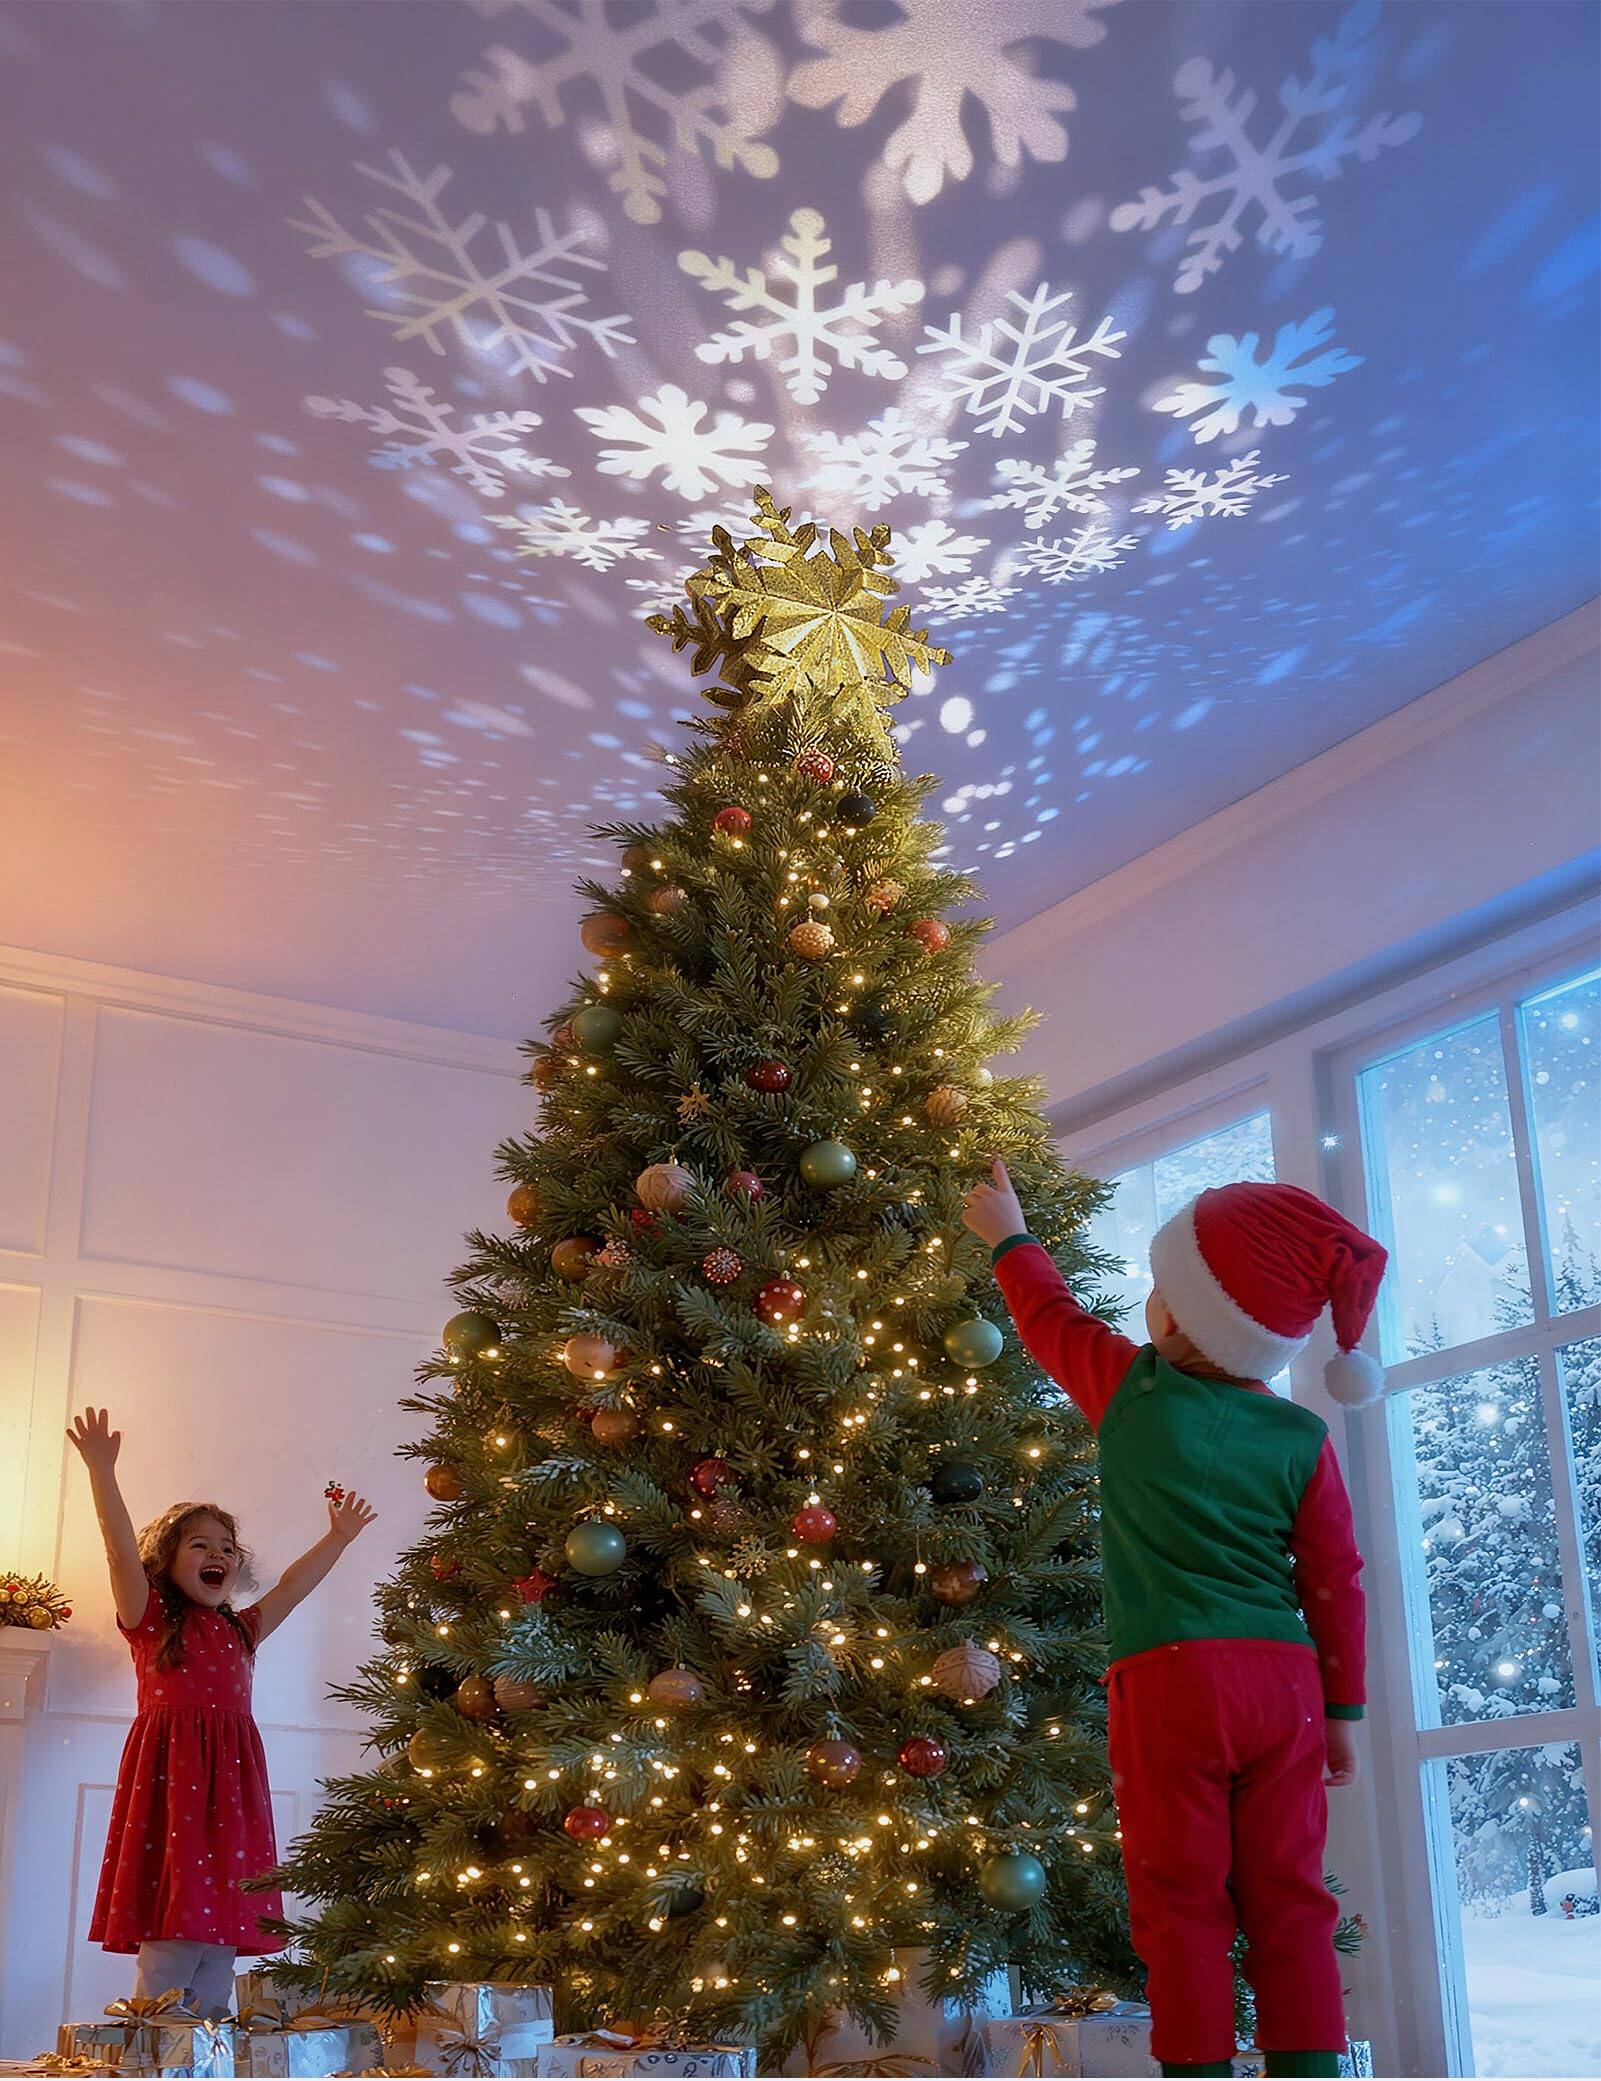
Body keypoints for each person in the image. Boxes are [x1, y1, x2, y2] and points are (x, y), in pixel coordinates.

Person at [962, 1164, 1387, 2081]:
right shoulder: (1298, 1438)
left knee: (1182, 1900)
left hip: (1171, 1682)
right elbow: (1334, 1581)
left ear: (1172, 1316)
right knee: (1290, 1899)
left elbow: (1049, 1316)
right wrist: (1343, 1711)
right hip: (1284, 1685)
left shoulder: (1131, 1392)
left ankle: (1194, 2070)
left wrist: (1008, 1233)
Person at [67, 1406, 375, 2020]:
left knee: (218, 1939)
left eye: (228, 1548)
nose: (219, 1554)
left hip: (230, 1791)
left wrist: (337, 1539)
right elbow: (120, 1555)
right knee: (174, 1928)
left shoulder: (241, 1630)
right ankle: (160, 2042)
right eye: (200, 1544)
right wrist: (102, 1471)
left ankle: (205, 2042)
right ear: (169, 1562)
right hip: (172, 1784)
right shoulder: (151, 1620)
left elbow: (291, 1585)